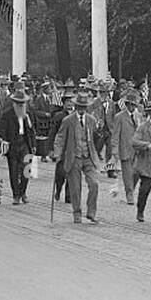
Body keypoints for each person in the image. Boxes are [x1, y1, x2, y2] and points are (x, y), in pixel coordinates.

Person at [52, 90, 103, 224]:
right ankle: (77, 212)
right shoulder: (68, 120)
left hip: (88, 156)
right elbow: (60, 137)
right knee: (75, 187)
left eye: (84, 107)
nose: (81, 110)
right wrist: (57, 153)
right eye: (79, 107)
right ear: (76, 107)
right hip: (74, 156)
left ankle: (91, 212)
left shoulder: (91, 120)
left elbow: (94, 137)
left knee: (94, 184)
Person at [0, 87, 35, 204]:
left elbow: (32, 130)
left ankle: (23, 192)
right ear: (14, 103)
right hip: (12, 145)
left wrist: (33, 145)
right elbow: (2, 131)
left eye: (22, 103)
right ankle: (16, 195)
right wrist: (4, 144)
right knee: (13, 171)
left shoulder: (28, 113)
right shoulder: (7, 114)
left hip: (25, 144)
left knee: (26, 170)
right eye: (18, 103)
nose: (20, 105)